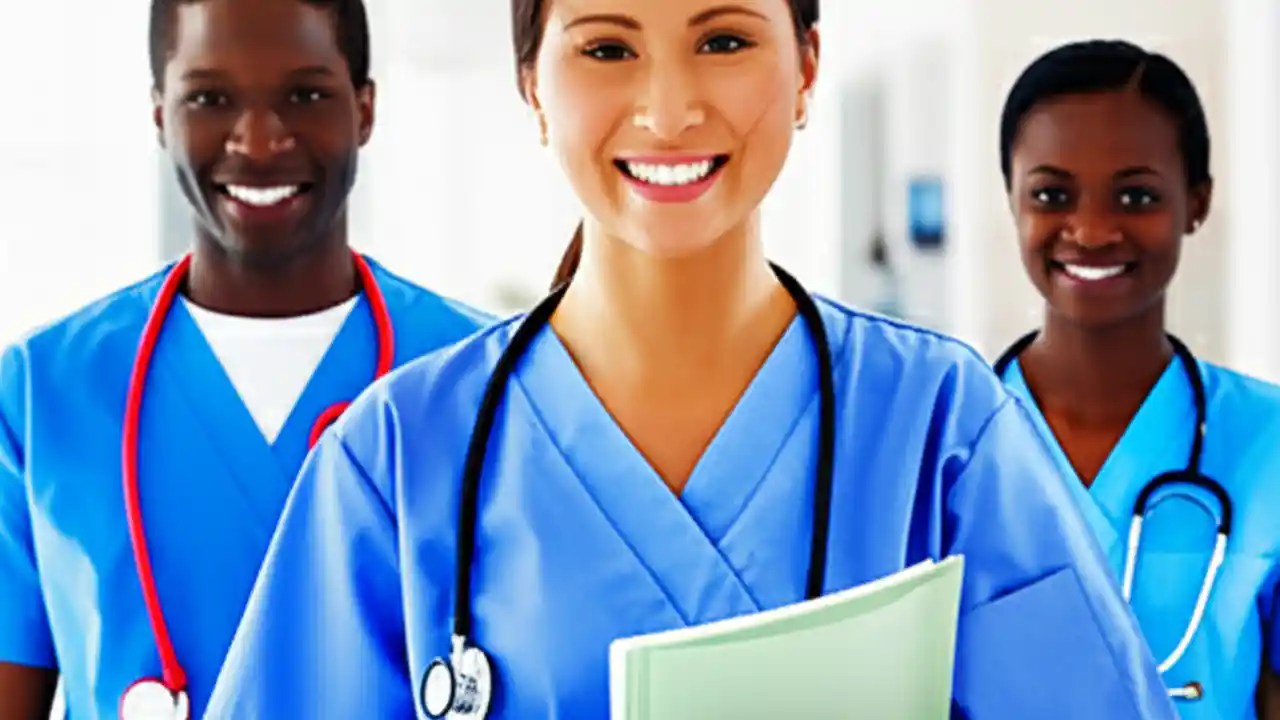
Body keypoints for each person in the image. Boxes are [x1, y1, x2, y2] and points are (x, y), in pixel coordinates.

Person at [207, 2, 1174, 718]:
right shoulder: (397, 460)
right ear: (533, 86)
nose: (668, 112)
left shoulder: (940, 432)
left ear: (804, 69)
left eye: (722, 41)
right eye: (607, 48)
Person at [0, 0, 491, 716]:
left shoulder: (487, 380)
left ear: (365, 110)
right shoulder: (44, 394)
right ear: (161, 115)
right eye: (209, 98)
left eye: (305, 95)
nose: (259, 142)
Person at [992, 39, 1280, 720]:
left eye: (1137, 195)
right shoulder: (943, 445)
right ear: (1013, 199)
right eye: (1052, 194)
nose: (1091, 230)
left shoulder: (1268, 444)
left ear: (1196, 203)